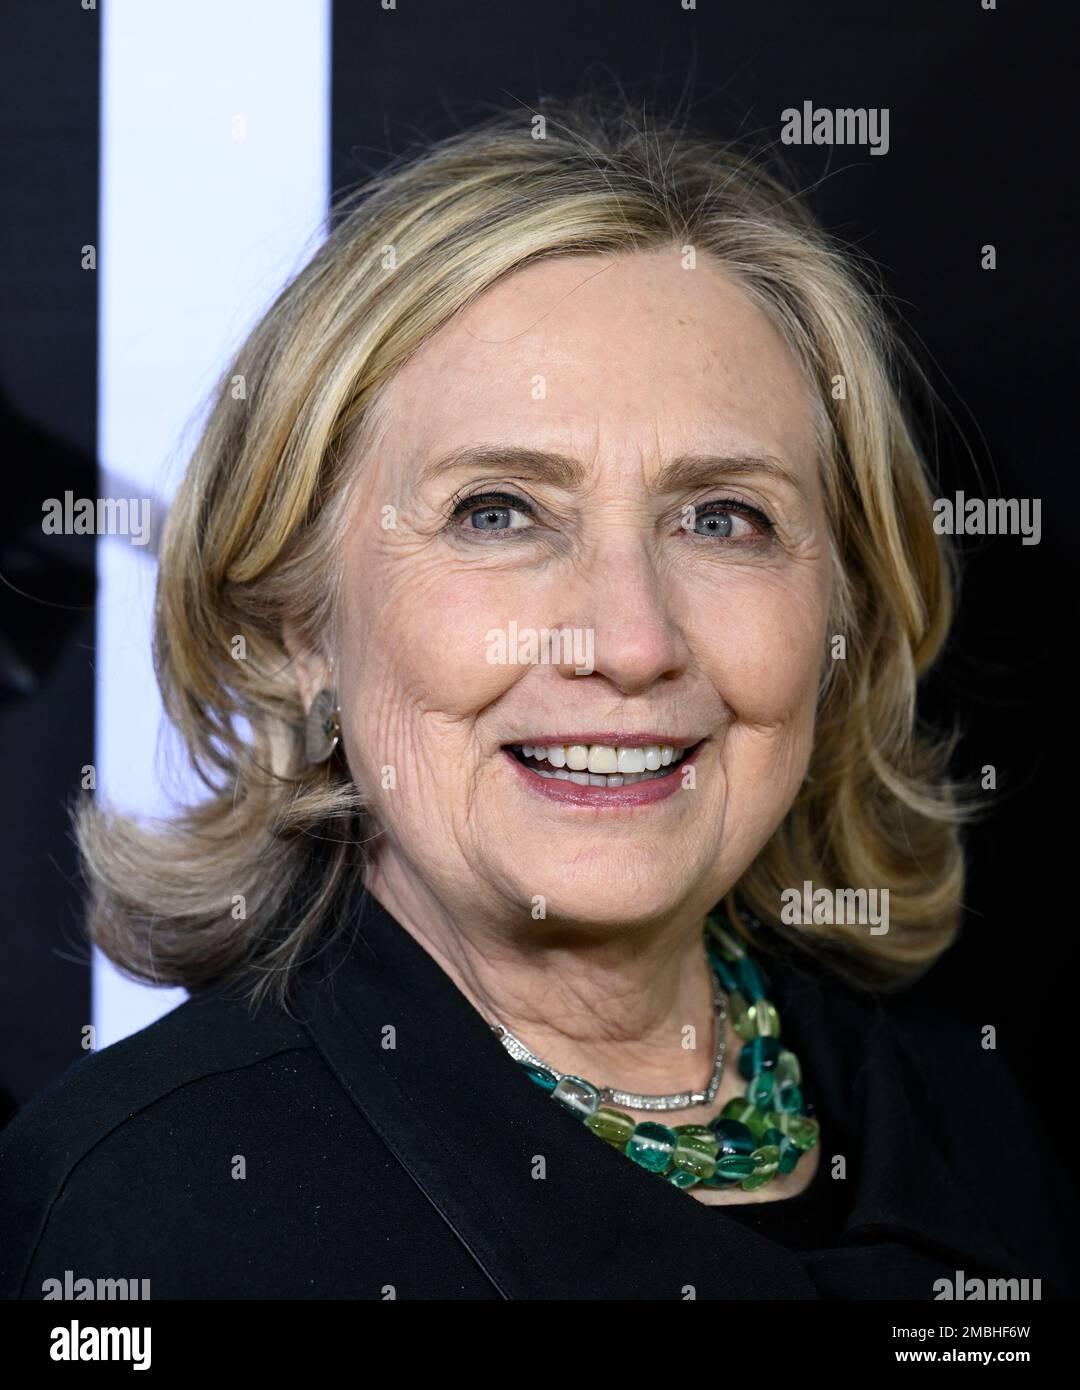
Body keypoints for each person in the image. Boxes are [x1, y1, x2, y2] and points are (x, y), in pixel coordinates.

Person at [1, 95, 1074, 1300]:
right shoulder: (145, 1210)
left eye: (723, 517)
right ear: (299, 628)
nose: (628, 640)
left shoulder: (966, 1120)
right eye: (496, 512)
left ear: (843, 616)